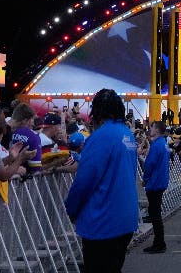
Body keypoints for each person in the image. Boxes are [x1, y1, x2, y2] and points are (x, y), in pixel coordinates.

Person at [64, 89, 139, 273]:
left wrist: (71, 208)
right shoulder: (127, 135)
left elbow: (84, 180)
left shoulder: (100, 137)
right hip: (125, 218)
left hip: (103, 221)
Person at [142, 121, 169, 254]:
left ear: (157, 130)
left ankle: (159, 243)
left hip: (155, 182)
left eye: (151, 127)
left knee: (155, 214)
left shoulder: (156, 145)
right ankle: (159, 242)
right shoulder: (163, 143)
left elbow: (149, 164)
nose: (150, 129)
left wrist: (145, 179)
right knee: (155, 213)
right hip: (161, 181)